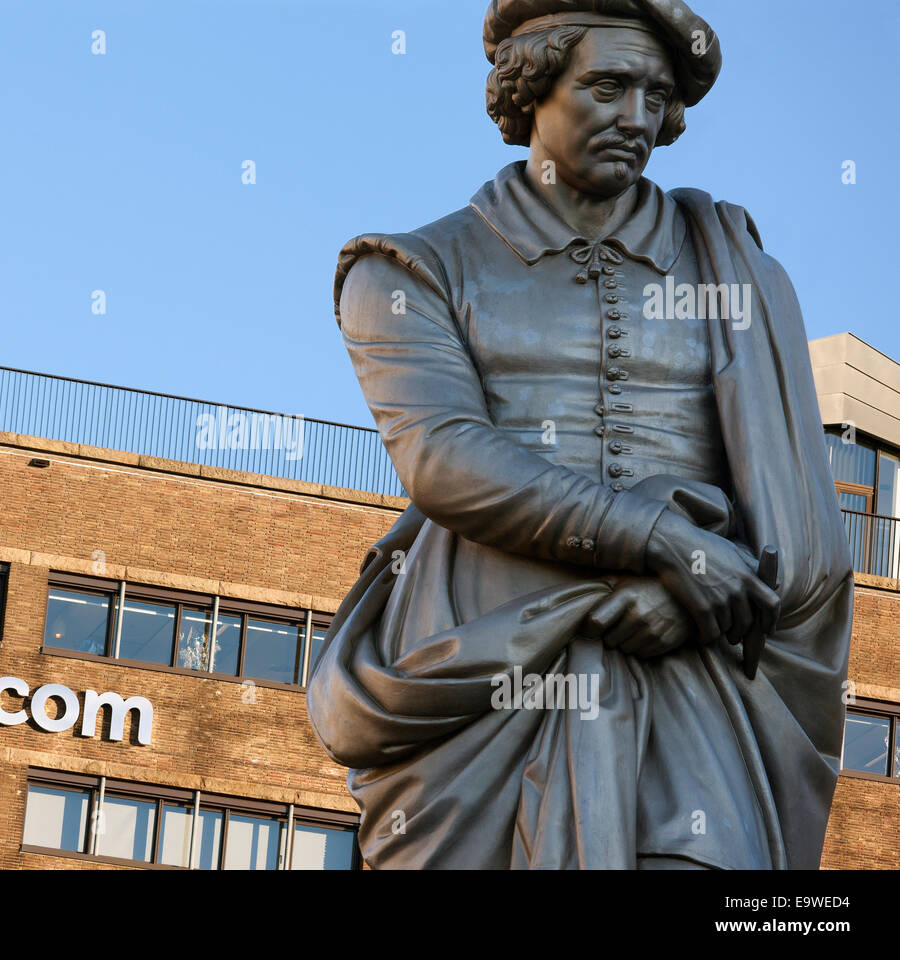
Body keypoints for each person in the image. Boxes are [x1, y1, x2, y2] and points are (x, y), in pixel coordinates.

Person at [306, 0, 853, 869]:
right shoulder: (409, 268)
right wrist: (657, 540)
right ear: (532, 89)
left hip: (697, 664)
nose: (636, 118)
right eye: (607, 86)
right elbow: (442, 458)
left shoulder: (739, 271)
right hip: (485, 651)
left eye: (656, 95)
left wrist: (689, 589)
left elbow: (797, 517)